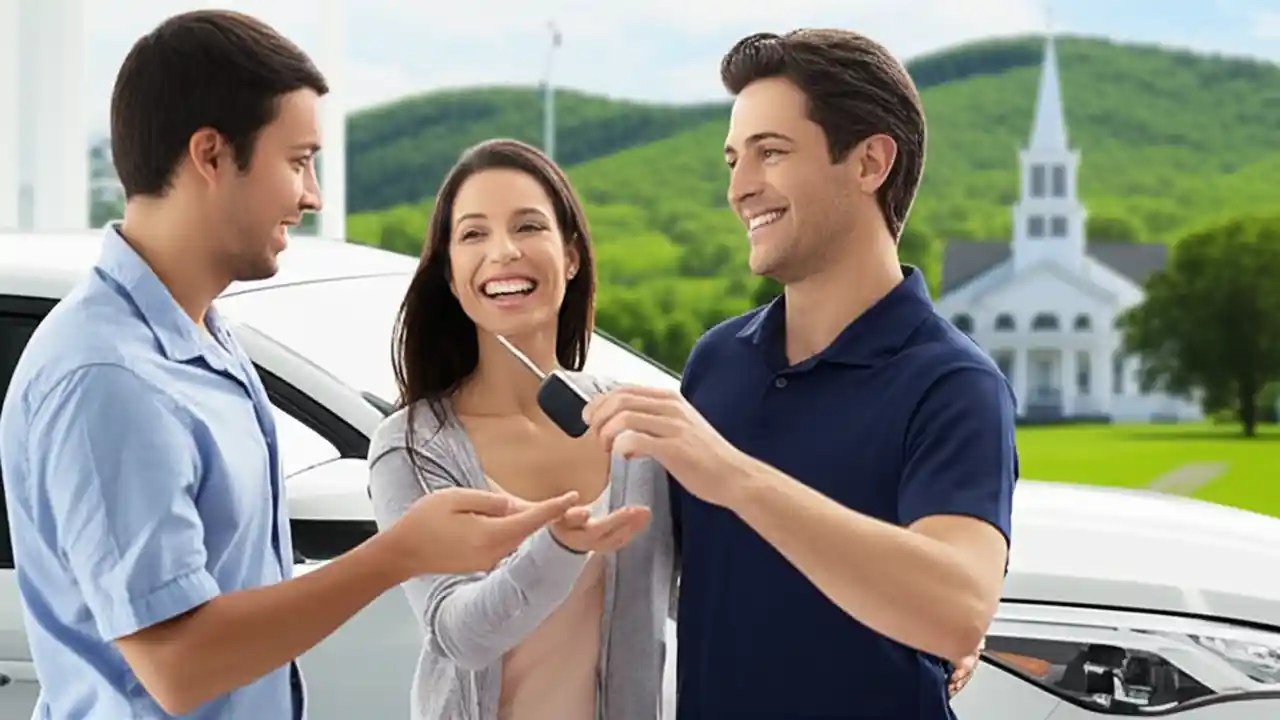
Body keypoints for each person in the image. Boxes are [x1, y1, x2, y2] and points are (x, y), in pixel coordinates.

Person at [0, 11, 575, 719]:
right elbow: (179, 665)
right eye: (298, 161)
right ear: (211, 156)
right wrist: (397, 553)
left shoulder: (206, 337)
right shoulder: (109, 378)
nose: (313, 195)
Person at [583, 29, 1018, 718]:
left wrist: (734, 476)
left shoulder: (953, 384)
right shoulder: (717, 361)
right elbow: (672, 579)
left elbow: (957, 610)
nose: (739, 188)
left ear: (871, 161)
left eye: (771, 153)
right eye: (733, 160)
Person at [366, 138, 677, 720]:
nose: (503, 252)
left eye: (528, 226)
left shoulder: (637, 428)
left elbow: (704, 598)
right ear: (453, 277)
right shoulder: (411, 446)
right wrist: (560, 547)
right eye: (474, 234)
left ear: (572, 257)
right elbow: (461, 634)